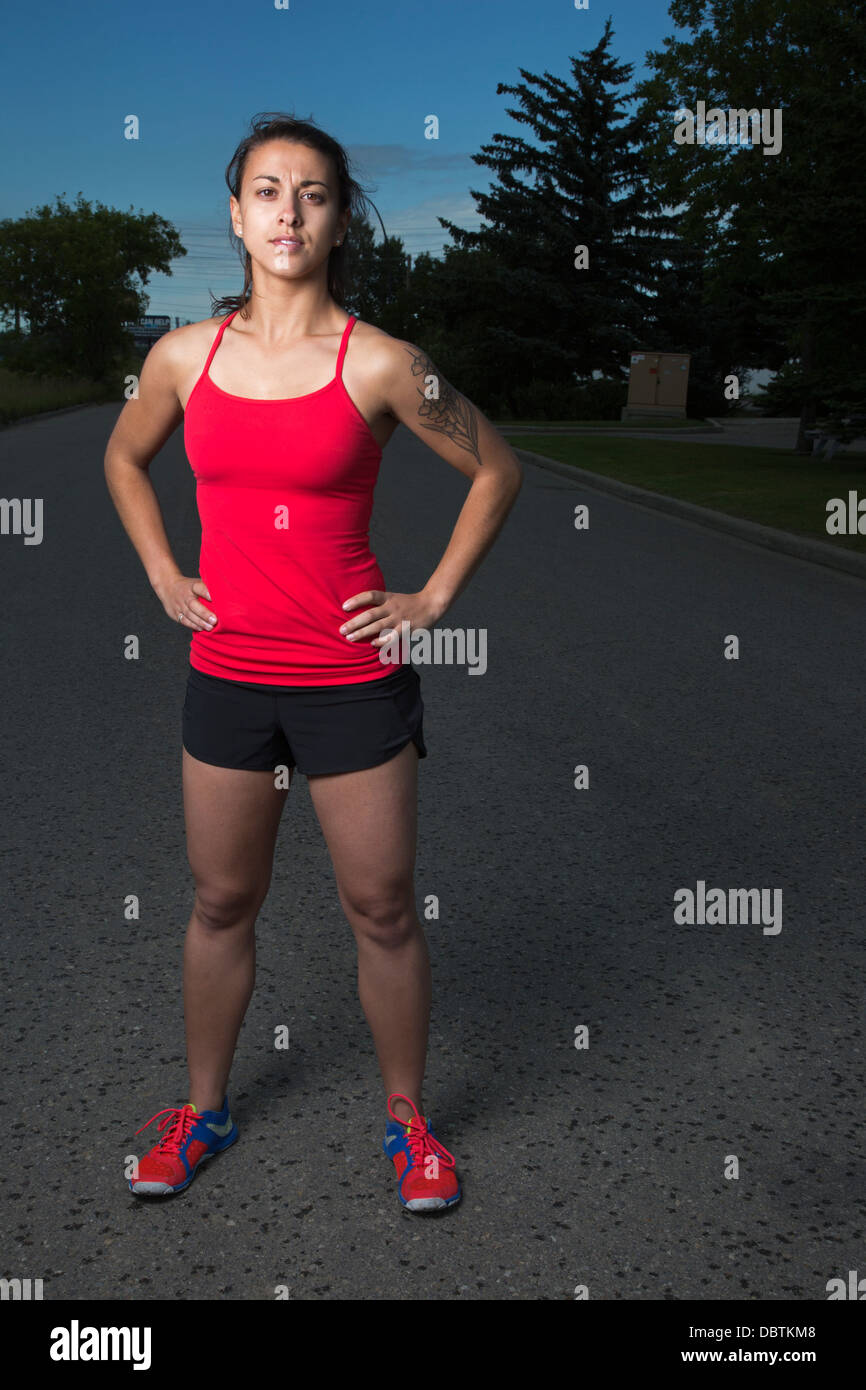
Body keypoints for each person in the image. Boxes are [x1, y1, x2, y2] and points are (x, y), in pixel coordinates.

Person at [104, 111, 522, 1213]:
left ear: (339, 221)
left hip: (349, 680)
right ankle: (203, 1108)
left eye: (315, 194)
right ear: (236, 214)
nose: (288, 211)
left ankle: (407, 1122)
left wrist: (430, 597)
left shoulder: (380, 361)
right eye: (267, 191)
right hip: (229, 675)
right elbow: (121, 454)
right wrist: (160, 569)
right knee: (218, 900)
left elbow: (496, 468)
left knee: (382, 907)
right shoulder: (182, 356)